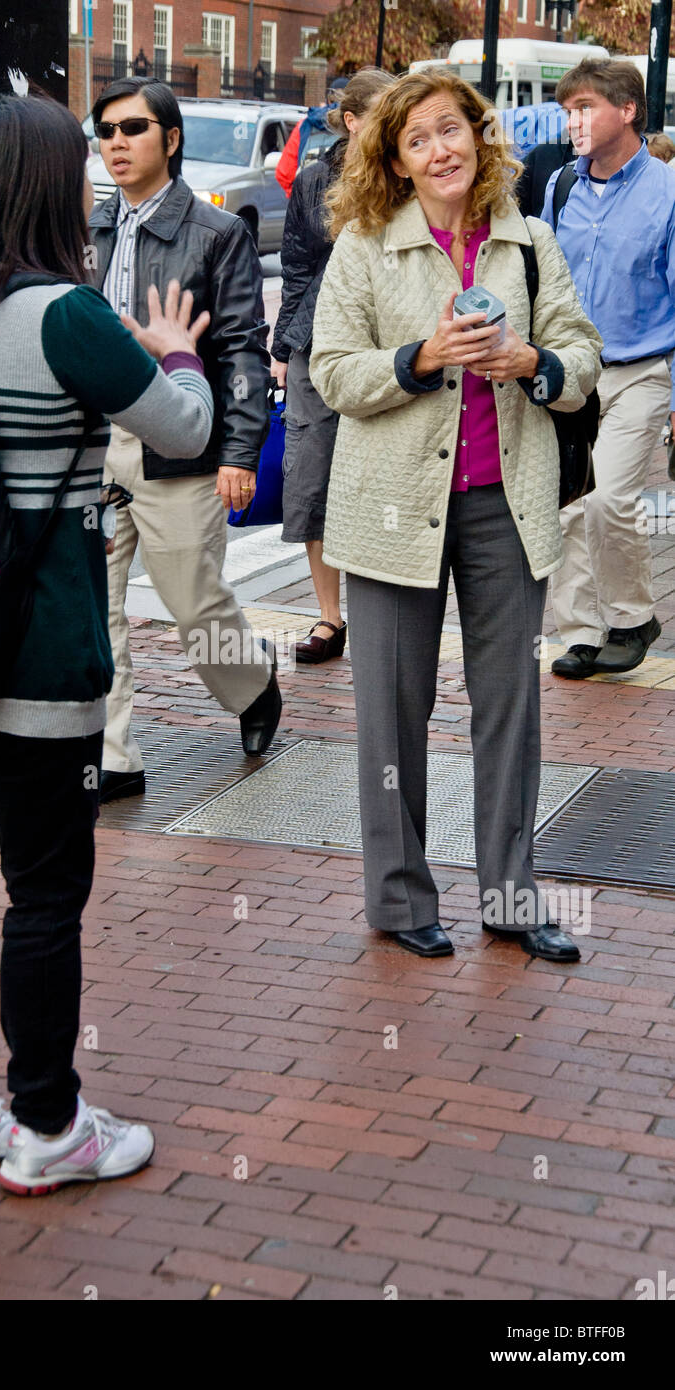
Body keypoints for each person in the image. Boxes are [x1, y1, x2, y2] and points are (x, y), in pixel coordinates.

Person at [0, 92, 215, 1193]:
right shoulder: (66, 312)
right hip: (38, 658)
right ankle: (47, 1125)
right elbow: (182, 433)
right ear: (44, 185)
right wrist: (174, 353)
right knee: (43, 894)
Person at [310, 69, 601, 963]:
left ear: (478, 136)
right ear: (395, 162)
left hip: (505, 507)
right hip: (392, 511)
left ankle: (511, 901)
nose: (440, 149)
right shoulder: (364, 245)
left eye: (452, 129)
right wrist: (421, 356)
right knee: (391, 713)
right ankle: (400, 899)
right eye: (418, 139)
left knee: (510, 710)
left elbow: (583, 355)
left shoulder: (528, 241)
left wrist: (533, 363)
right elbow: (331, 373)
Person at [88, 77, 280, 805]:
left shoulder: (216, 232)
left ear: (170, 140)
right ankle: (113, 755)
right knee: (94, 606)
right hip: (95, 444)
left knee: (193, 603)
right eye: (105, 131)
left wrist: (238, 452)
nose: (115, 143)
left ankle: (253, 685)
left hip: (179, 441)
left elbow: (240, 349)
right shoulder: (90, 229)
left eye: (132, 129)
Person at [542, 60, 675, 680]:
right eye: (567, 110)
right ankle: (582, 634)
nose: (573, 122)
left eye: (586, 108)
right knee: (569, 506)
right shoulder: (561, 186)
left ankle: (631, 617)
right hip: (572, 371)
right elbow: (544, 280)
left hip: (640, 370)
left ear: (627, 111)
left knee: (611, 499)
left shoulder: (668, 192)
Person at [272, 69, 395, 663]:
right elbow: (295, 265)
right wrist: (280, 351)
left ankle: (384, 614)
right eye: (385, 113)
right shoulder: (316, 179)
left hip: (387, 347)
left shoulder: (407, 177)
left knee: (382, 479)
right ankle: (329, 618)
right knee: (312, 477)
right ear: (352, 121)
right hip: (314, 345)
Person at [276, 77, 349, 196]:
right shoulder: (354, 126)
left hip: (307, 199)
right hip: (342, 202)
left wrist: (298, 198)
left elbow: (284, 173)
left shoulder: (305, 125)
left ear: (328, 100)